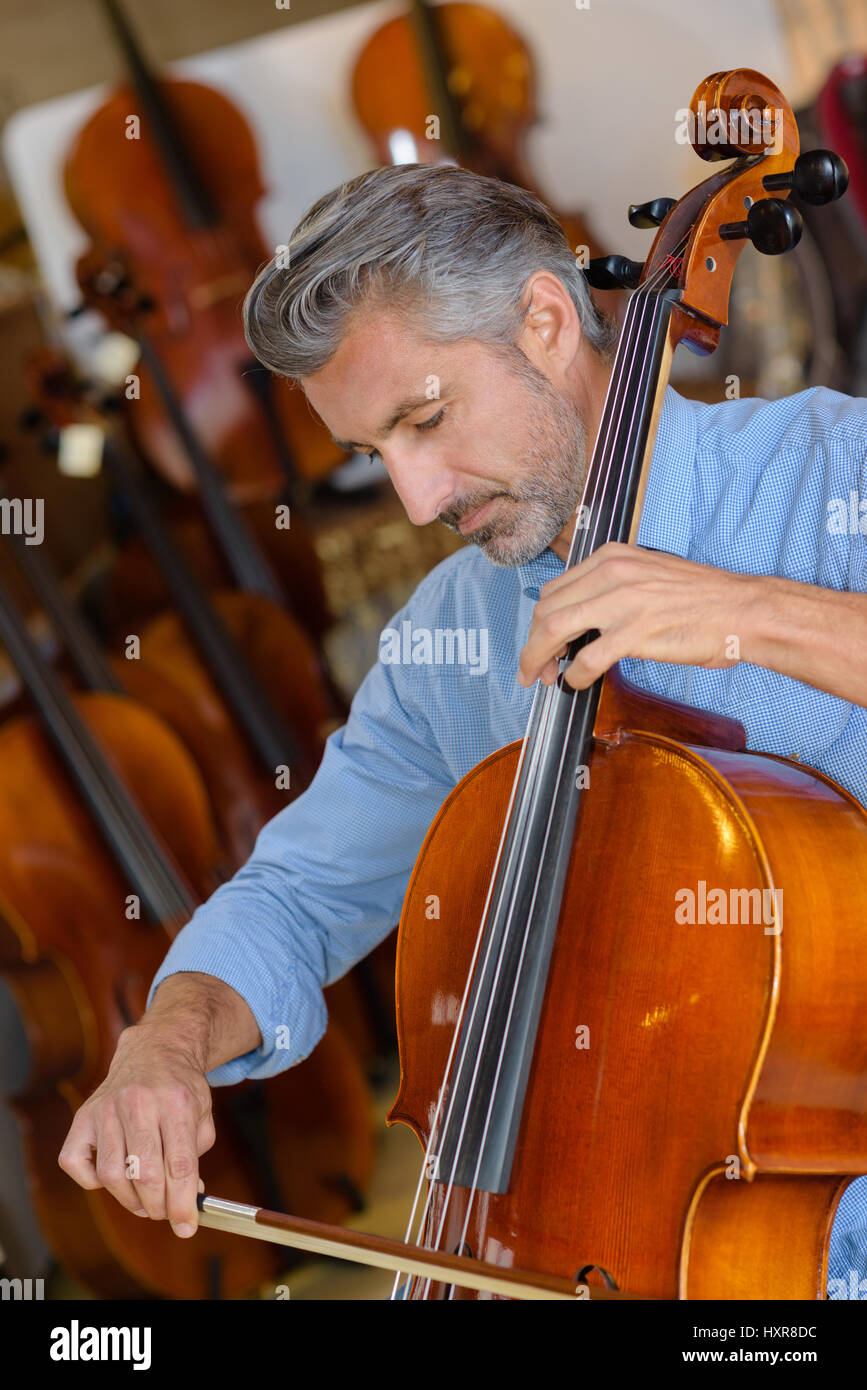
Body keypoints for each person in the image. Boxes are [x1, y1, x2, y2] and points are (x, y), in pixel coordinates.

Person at [59, 163, 867, 1296]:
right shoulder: (456, 629)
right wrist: (170, 1038)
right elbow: (299, 893)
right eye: (369, 453)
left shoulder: (833, 473)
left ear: (544, 321)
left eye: (425, 418)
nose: (415, 498)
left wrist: (756, 614)